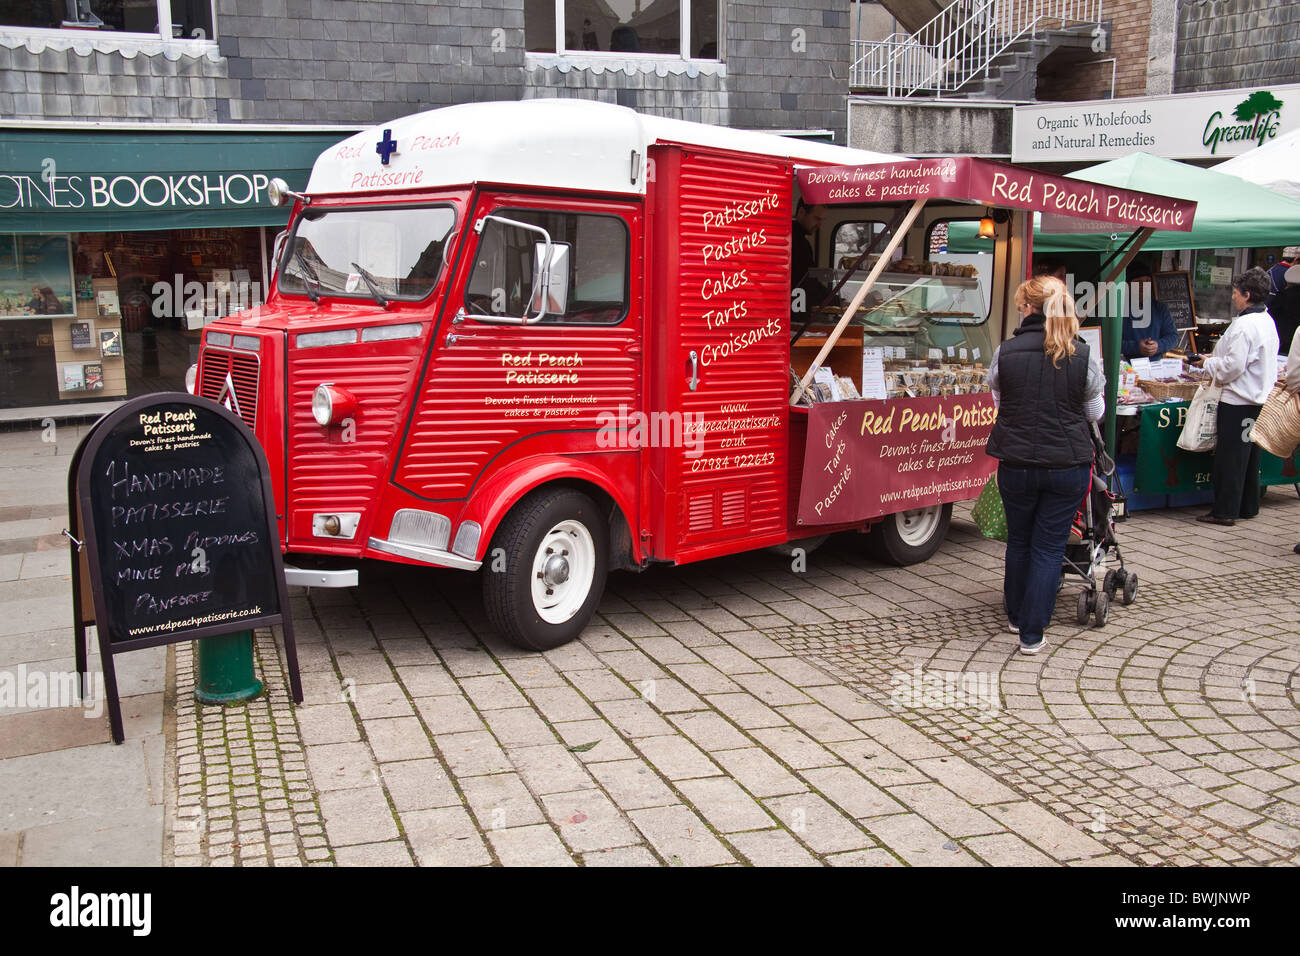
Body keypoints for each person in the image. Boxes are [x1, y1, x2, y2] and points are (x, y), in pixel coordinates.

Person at [986, 276, 1105, 655]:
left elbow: (1000, 404)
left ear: (1028, 307)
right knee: (1049, 546)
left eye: (1022, 305)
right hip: (1066, 463)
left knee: (1019, 540)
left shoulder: (1006, 351)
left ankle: (1017, 615)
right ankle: (1032, 634)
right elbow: (1094, 412)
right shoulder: (1082, 353)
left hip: (1016, 462)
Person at [1188, 267, 1279, 526]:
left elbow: (1232, 367)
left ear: (1247, 294)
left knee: (1230, 457)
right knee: (1249, 456)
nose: (1233, 297)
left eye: (1236, 293)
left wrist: (1207, 364)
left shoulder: (1244, 325)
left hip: (1238, 400)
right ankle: (1248, 505)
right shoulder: (1266, 320)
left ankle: (1225, 510)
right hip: (1259, 398)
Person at [1121, 264, 1179, 360]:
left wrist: (1158, 346)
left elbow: (1173, 336)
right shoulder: (1116, 309)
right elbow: (1107, 341)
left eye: (1147, 281)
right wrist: (1136, 347)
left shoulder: (1160, 308)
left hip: (1155, 368)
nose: (1143, 286)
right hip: (1124, 368)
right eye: (1138, 281)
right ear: (1127, 285)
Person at [790, 200, 832, 312]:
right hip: (793, 310)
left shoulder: (799, 239)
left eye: (822, 220)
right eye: (817, 218)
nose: (819, 225)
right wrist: (834, 300)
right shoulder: (796, 242)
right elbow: (807, 282)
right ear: (801, 212)